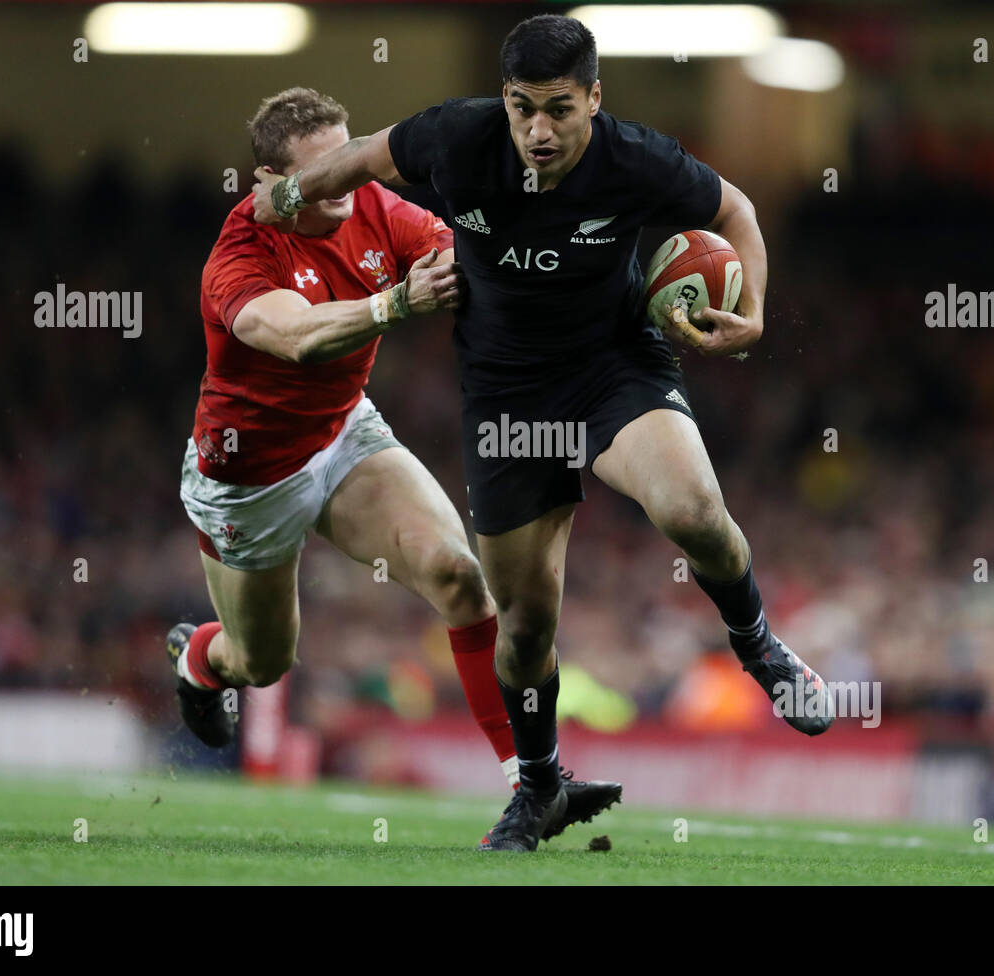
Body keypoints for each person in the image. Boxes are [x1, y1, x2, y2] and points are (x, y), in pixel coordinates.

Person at [251, 16, 836, 853]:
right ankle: (537, 788)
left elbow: (735, 209)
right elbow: (365, 155)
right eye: (523, 107)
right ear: (503, 99)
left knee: (694, 510)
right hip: (507, 399)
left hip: (613, 371)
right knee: (524, 627)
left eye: (559, 108)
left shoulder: (635, 159)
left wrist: (755, 315)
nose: (538, 130)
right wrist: (288, 194)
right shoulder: (457, 138)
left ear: (595, 99)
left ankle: (761, 649)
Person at [173, 86, 621, 840]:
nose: (347, 182)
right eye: (324, 174)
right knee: (264, 661)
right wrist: (394, 305)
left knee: (461, 578)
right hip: (249, 479)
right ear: (270, 185)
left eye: (350, 161)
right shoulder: (241, 252)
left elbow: (458, 254)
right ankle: (200, 658)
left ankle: (532, 785)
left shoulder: (374, 206)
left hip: (345, 433)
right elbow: (296, 335)